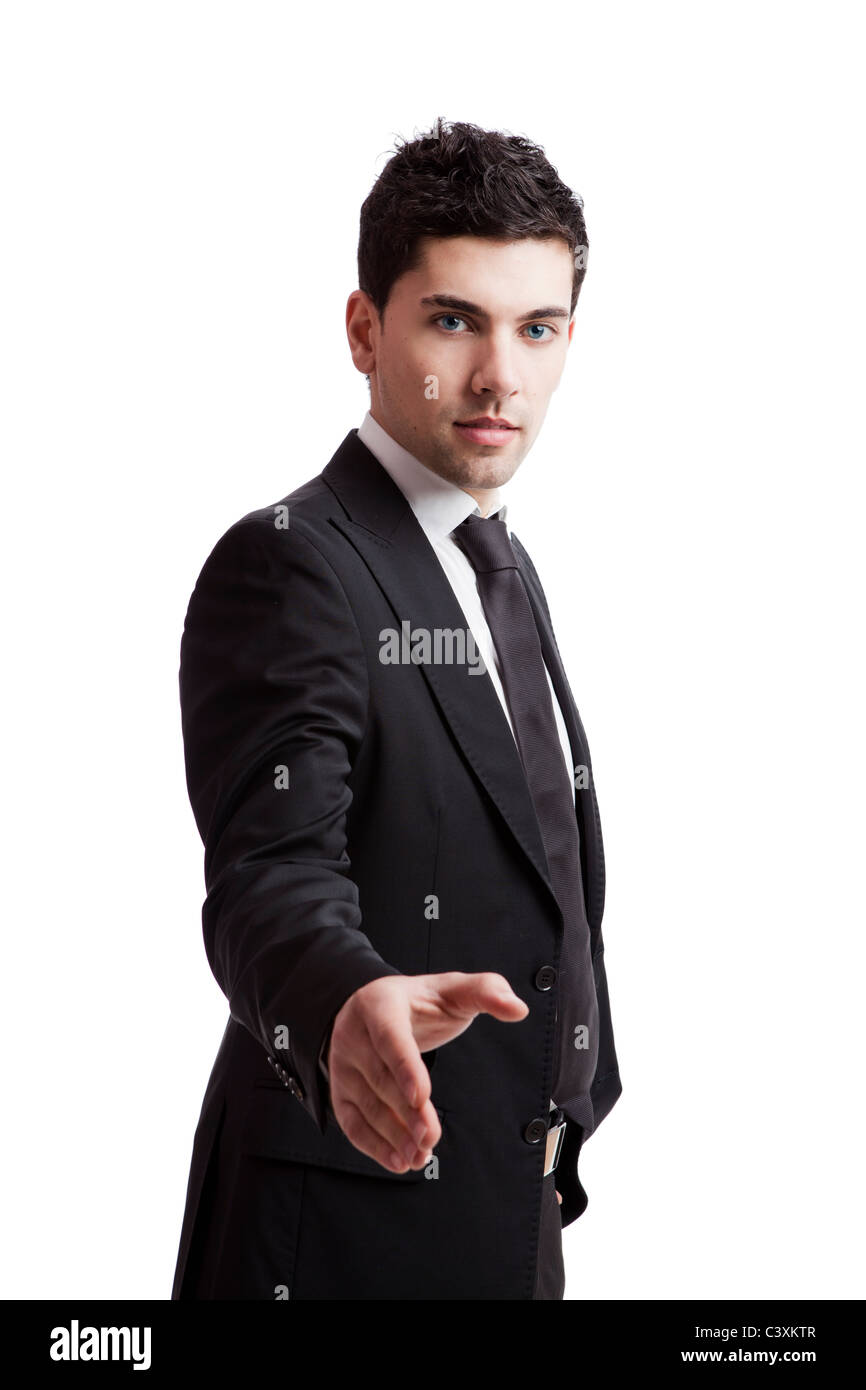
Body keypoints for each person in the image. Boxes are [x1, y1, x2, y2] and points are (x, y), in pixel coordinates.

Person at [171, 117, 622, 1301]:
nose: (498, 377)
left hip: (508, 1219)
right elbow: (271, 869)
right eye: (453, 320)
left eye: (537, 328)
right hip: (339, 1235)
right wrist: (338, 999)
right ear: (366, 329)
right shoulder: (294, 564)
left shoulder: (496, 571)